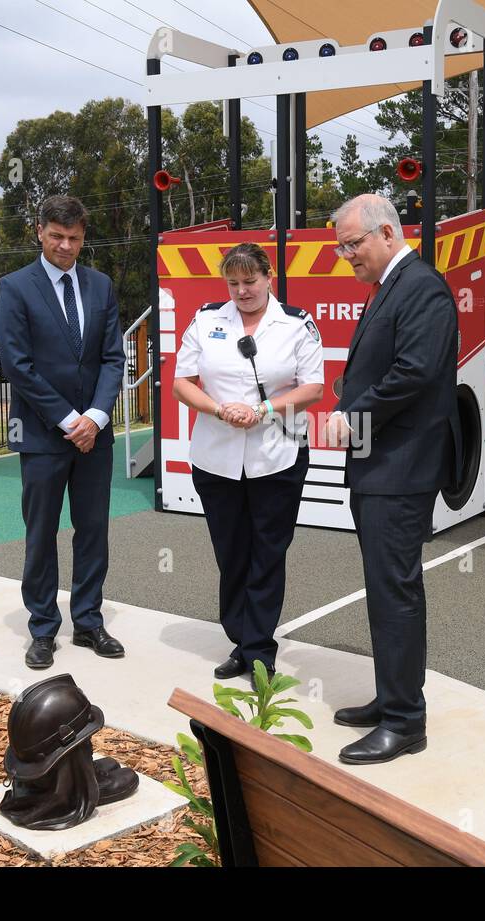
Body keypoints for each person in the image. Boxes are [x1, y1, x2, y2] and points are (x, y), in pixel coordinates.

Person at [321, 194, 461, 766]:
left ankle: (405, 722)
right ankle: (391, 697)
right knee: (384, 588)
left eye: (351, 244)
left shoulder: (420, 286)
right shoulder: (394, 286)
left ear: (384, 233)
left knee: (394, 591)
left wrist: (350, 417)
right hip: (383, 463)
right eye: (340, 247)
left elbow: (415, 372)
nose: (345, 255)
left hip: (399, 469)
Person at [173, 243, 325, 681]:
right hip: (216, 459)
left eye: (250, 282)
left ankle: (258, 649)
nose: (242, 291)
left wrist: (261, 410)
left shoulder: (297, 324)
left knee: (268, 553)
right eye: (233, 283)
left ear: (268, 277)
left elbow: (312, 388)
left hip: (276, 456)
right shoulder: (206, 319)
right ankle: (241, 634)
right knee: (232, 553)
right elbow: (182, 383)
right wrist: (221, 410)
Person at [0, 195, 126, 670]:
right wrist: (70, 420)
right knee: (42, 532)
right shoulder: (15, 288)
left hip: (96, 434)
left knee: (93, 530)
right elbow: (17, 364)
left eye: (73, 238)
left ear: (83, 237)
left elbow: (114, 357)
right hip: (43, 435)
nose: (65, 246)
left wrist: (95, 417)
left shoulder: (101, 285)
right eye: (56, 236)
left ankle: (89, 622)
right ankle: (43, 628)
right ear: (39, 232)